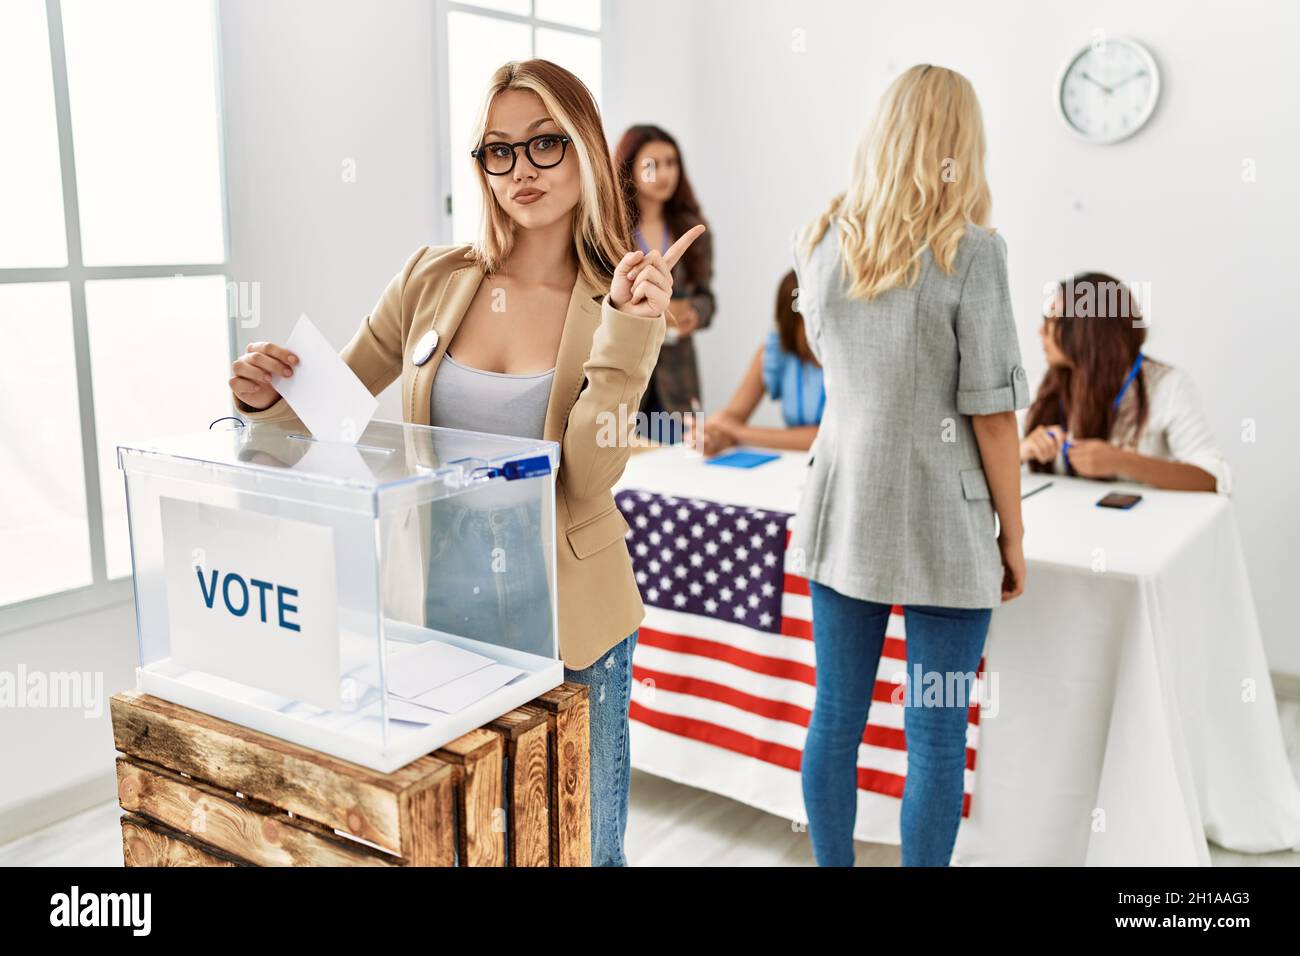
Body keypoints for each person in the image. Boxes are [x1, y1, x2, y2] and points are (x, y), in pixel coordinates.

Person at [227, 59, 705, 866]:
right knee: (465, 846)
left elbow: (588, 477)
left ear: (586, 147)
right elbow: (329, 410)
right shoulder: (433, 278)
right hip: (437, 627)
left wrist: (629, 331)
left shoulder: (618, 299)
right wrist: (259, 398)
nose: (522, 170)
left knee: (582, 851)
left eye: (546, 144)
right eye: (499, 150)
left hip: (570, 632)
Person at [790, 64, 1028, 867]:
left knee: (836, 717)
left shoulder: (823, 239)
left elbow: (839, 372)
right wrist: (1014, 537)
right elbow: (992, 413)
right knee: (933, 734)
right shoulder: (975, 252)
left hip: (842, 501)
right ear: (961, 141)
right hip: (947, 519)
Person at [1021, 273, 1230, 493]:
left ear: (1088, 331)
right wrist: (1023, 450)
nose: (1041, 331)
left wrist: (1122, 461)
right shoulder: (1043, 385)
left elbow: (1212, 478)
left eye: (1052, 321)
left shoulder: (1167, 385)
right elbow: (992, 461)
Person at [614, 125, 715, 444]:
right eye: (651, 165)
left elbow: (707, 298)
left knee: (679, 468)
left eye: (672, 163)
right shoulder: (609, 232)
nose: (664, 173)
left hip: (678, 383)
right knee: (618, 469)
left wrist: (694, 314)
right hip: (623, 377)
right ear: (628, 170)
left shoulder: (692, 230)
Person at [687, 270, 823, 455]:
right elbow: (733, 415)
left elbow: (830, 437)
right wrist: (715, 435)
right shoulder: (774, 352)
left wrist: (739, 432)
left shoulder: (849, 360)